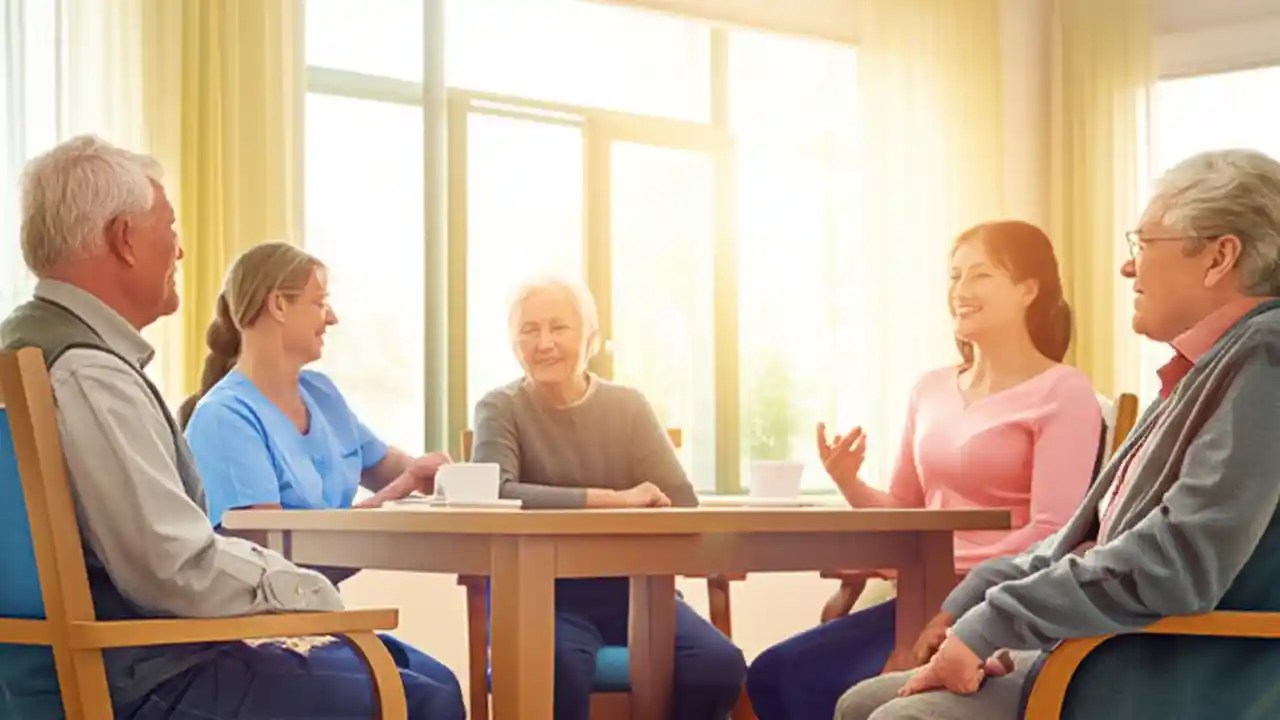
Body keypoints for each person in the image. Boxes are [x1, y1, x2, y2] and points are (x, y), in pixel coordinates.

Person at [0, 135, 464, 719]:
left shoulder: (26, 349)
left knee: (415, 672)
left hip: (67, 672)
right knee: (427, 694)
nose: (179, 250)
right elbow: (173, 567)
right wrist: (306, 592)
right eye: (169, 229)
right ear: (124, 239)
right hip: (147, 679)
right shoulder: (90, 373)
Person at [835, 148, 1280, 720]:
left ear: (1219, 257)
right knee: (861, 702)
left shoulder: (1266, 359)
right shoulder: (1203, 369)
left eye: (1144, 245)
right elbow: (1086, 540)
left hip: (1168, 672)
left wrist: (993, 620)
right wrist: (976, 597)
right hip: (1110, 647)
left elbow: (1178, 560)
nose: (1128, 268)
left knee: (897, 716)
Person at [746, 220, 1103, 720]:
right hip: (915, 595)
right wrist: (849, 482)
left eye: (981, 275)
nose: (961, 290)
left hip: (987, 607)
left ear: (1028, 289)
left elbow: (1052, 532)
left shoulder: (1064, 391)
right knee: (774, 674)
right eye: (955, 276)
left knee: (856, 691)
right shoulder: (929, 389)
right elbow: (903, 510)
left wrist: (944, 574)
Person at [471, 276, 747, 720]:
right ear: (513, 343)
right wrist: (616, 499)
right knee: (556, 669)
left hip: (638, 592)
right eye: (529, 330)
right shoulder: (499, 407)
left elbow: (681, 501)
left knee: (718, 665)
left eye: (559, 327)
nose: (544, 343)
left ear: (591, 339)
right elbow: (498, 493)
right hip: (544, 597)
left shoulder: (628, 405)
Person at [181, 242, 449, 524]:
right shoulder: (223, 418)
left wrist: (441, 474)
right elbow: (267, 546)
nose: (332, 318)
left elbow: (388, 466)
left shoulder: (321, 394)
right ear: (279, 305)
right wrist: (402, 485)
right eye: (319, 303)